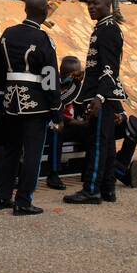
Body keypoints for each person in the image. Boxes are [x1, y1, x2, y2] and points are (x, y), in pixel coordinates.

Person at [64, 0, 137, 203]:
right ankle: (107, 188)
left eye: (96, 4)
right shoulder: (102, 28)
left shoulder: (108, 30)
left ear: (108, 5)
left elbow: (109, 69)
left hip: (100, 96)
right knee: (105, 144)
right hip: (99, 93)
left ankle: (92, 189)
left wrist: (100, 98)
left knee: (97, 143)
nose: (91, 7)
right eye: (89, 4)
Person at [0, 0, 61, 215]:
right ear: (43, 13)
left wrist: (0, 97)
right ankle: (23, 201)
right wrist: (56, 106)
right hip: (36, 103)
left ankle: (2, 197)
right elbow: (50, 75)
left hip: (11, 101)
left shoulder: (8, 34)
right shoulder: (43, 39)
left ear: (26, 11)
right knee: (32, 153)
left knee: (10, 151)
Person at [44, 55, 84, 190]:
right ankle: (53, 174)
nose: (81, 74)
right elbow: (54, 112)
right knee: (56, 129)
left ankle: (92, 170)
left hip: (78, 125)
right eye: (78, 72)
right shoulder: (54, 86)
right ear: (70, 74)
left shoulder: (79, 87)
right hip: (60, 125)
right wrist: (71, 121)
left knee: (96, 130)